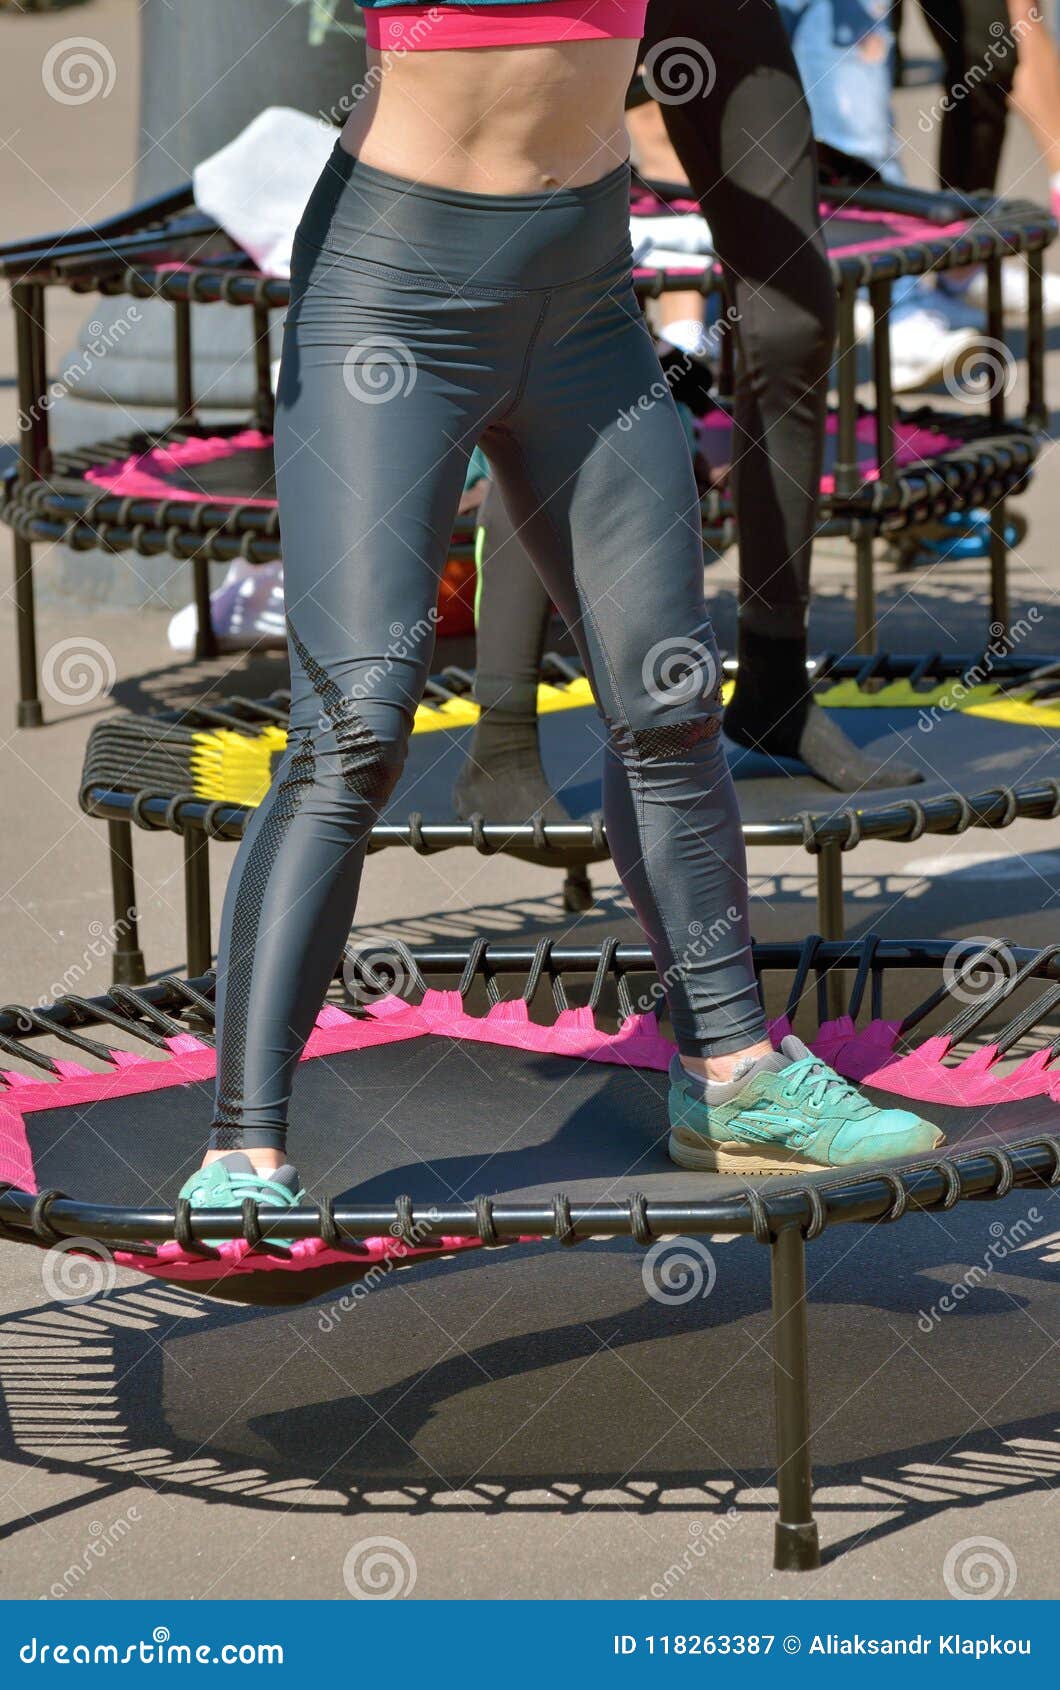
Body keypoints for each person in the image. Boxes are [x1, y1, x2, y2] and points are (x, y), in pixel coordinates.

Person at [182, 0, 942, 1221]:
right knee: (354, 731)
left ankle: (734, 1076)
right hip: (392, 300)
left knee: (669, 703)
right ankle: (241, 1153)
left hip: (583, 304)